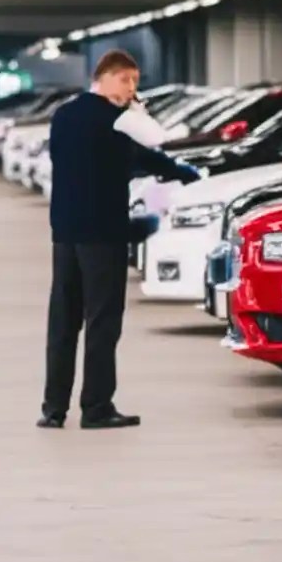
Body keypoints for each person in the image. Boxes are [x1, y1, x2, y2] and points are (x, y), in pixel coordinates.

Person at [37, 50, 202, 429]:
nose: (132, 89)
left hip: (65, 233)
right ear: (106, 78)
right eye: (127, 80)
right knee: (102, 322)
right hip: (102, 234)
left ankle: (53, 408)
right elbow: (150, 148)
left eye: (135, 82)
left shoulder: (64, 115)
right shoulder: (117, 119)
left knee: (63, 322)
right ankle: (96, 407)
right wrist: (183, 173)